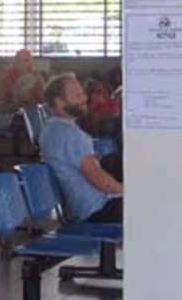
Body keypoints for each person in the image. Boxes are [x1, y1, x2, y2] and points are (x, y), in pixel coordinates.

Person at [39, 73, 122, 223]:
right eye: (77, 95)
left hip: (82, 207)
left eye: (82, 93)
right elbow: (102, 182)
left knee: (115, 160)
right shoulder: (71, 135)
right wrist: (129, 191)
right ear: (59, 102)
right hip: (97, 209)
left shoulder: (50, 129)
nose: (84, 99)